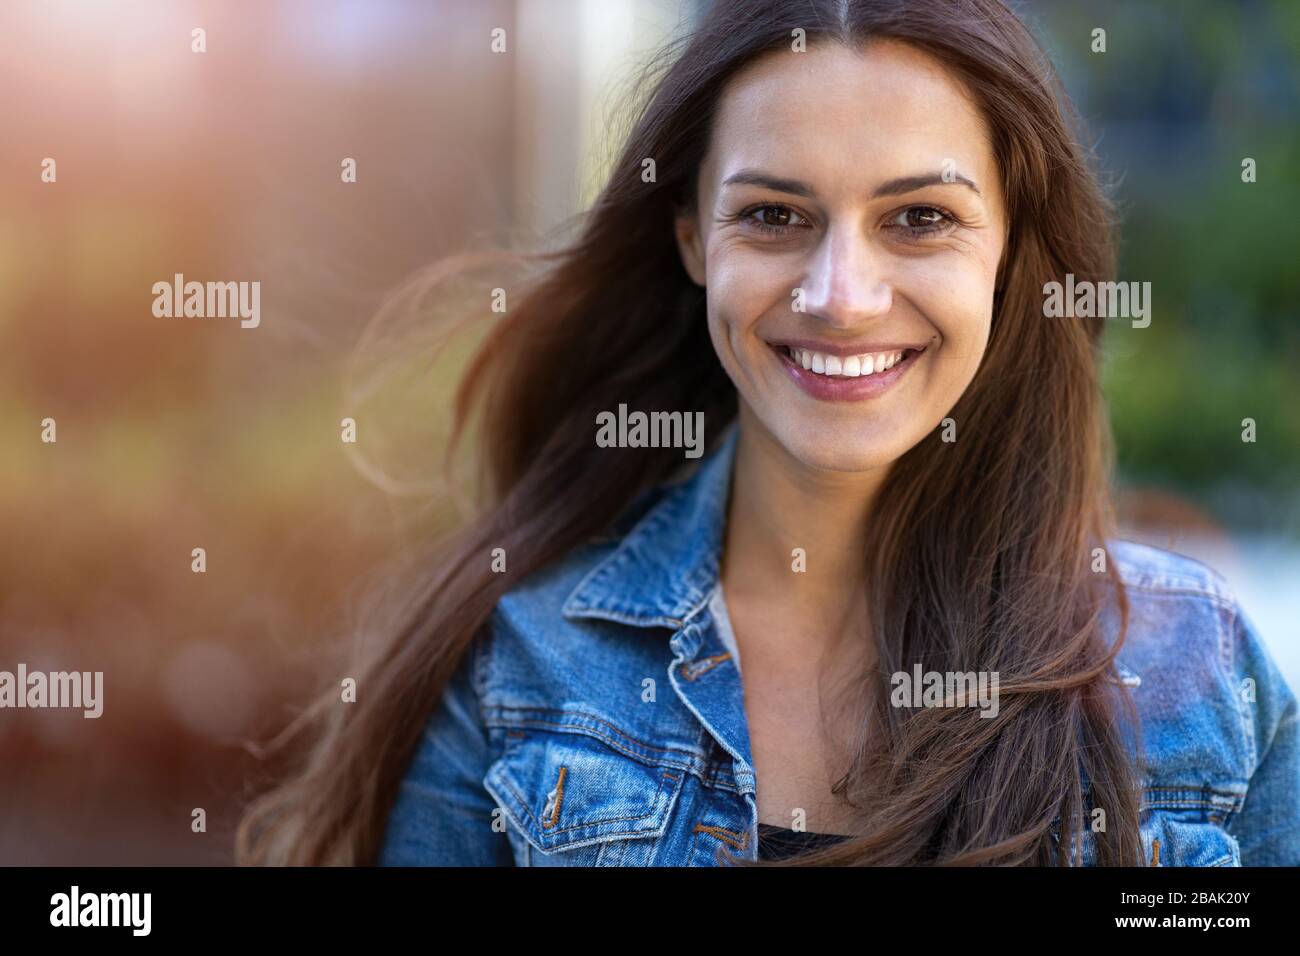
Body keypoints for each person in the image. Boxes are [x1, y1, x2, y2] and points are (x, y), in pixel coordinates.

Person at [236, 0, 1300, 867]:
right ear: (693, 237)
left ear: (1010, 247)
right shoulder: (518, 666)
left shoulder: (1206, 677)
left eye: (919, 217)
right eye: (775, 216)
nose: (841, 295)